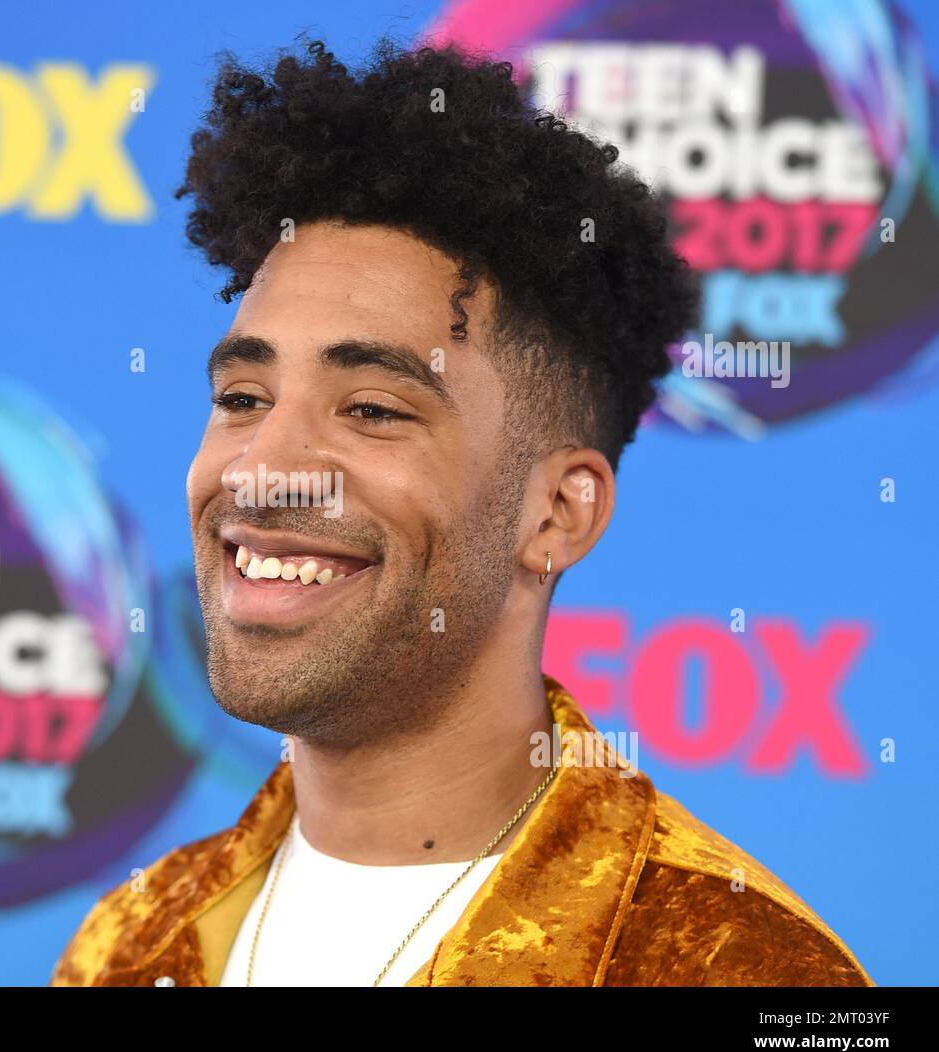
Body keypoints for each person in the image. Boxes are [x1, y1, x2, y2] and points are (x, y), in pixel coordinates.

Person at [50, 36, 871, 987]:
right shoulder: (132, 941)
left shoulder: (738, 966)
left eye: (371, 410)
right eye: (242, 399)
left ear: (558, 514)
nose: (264, 468)